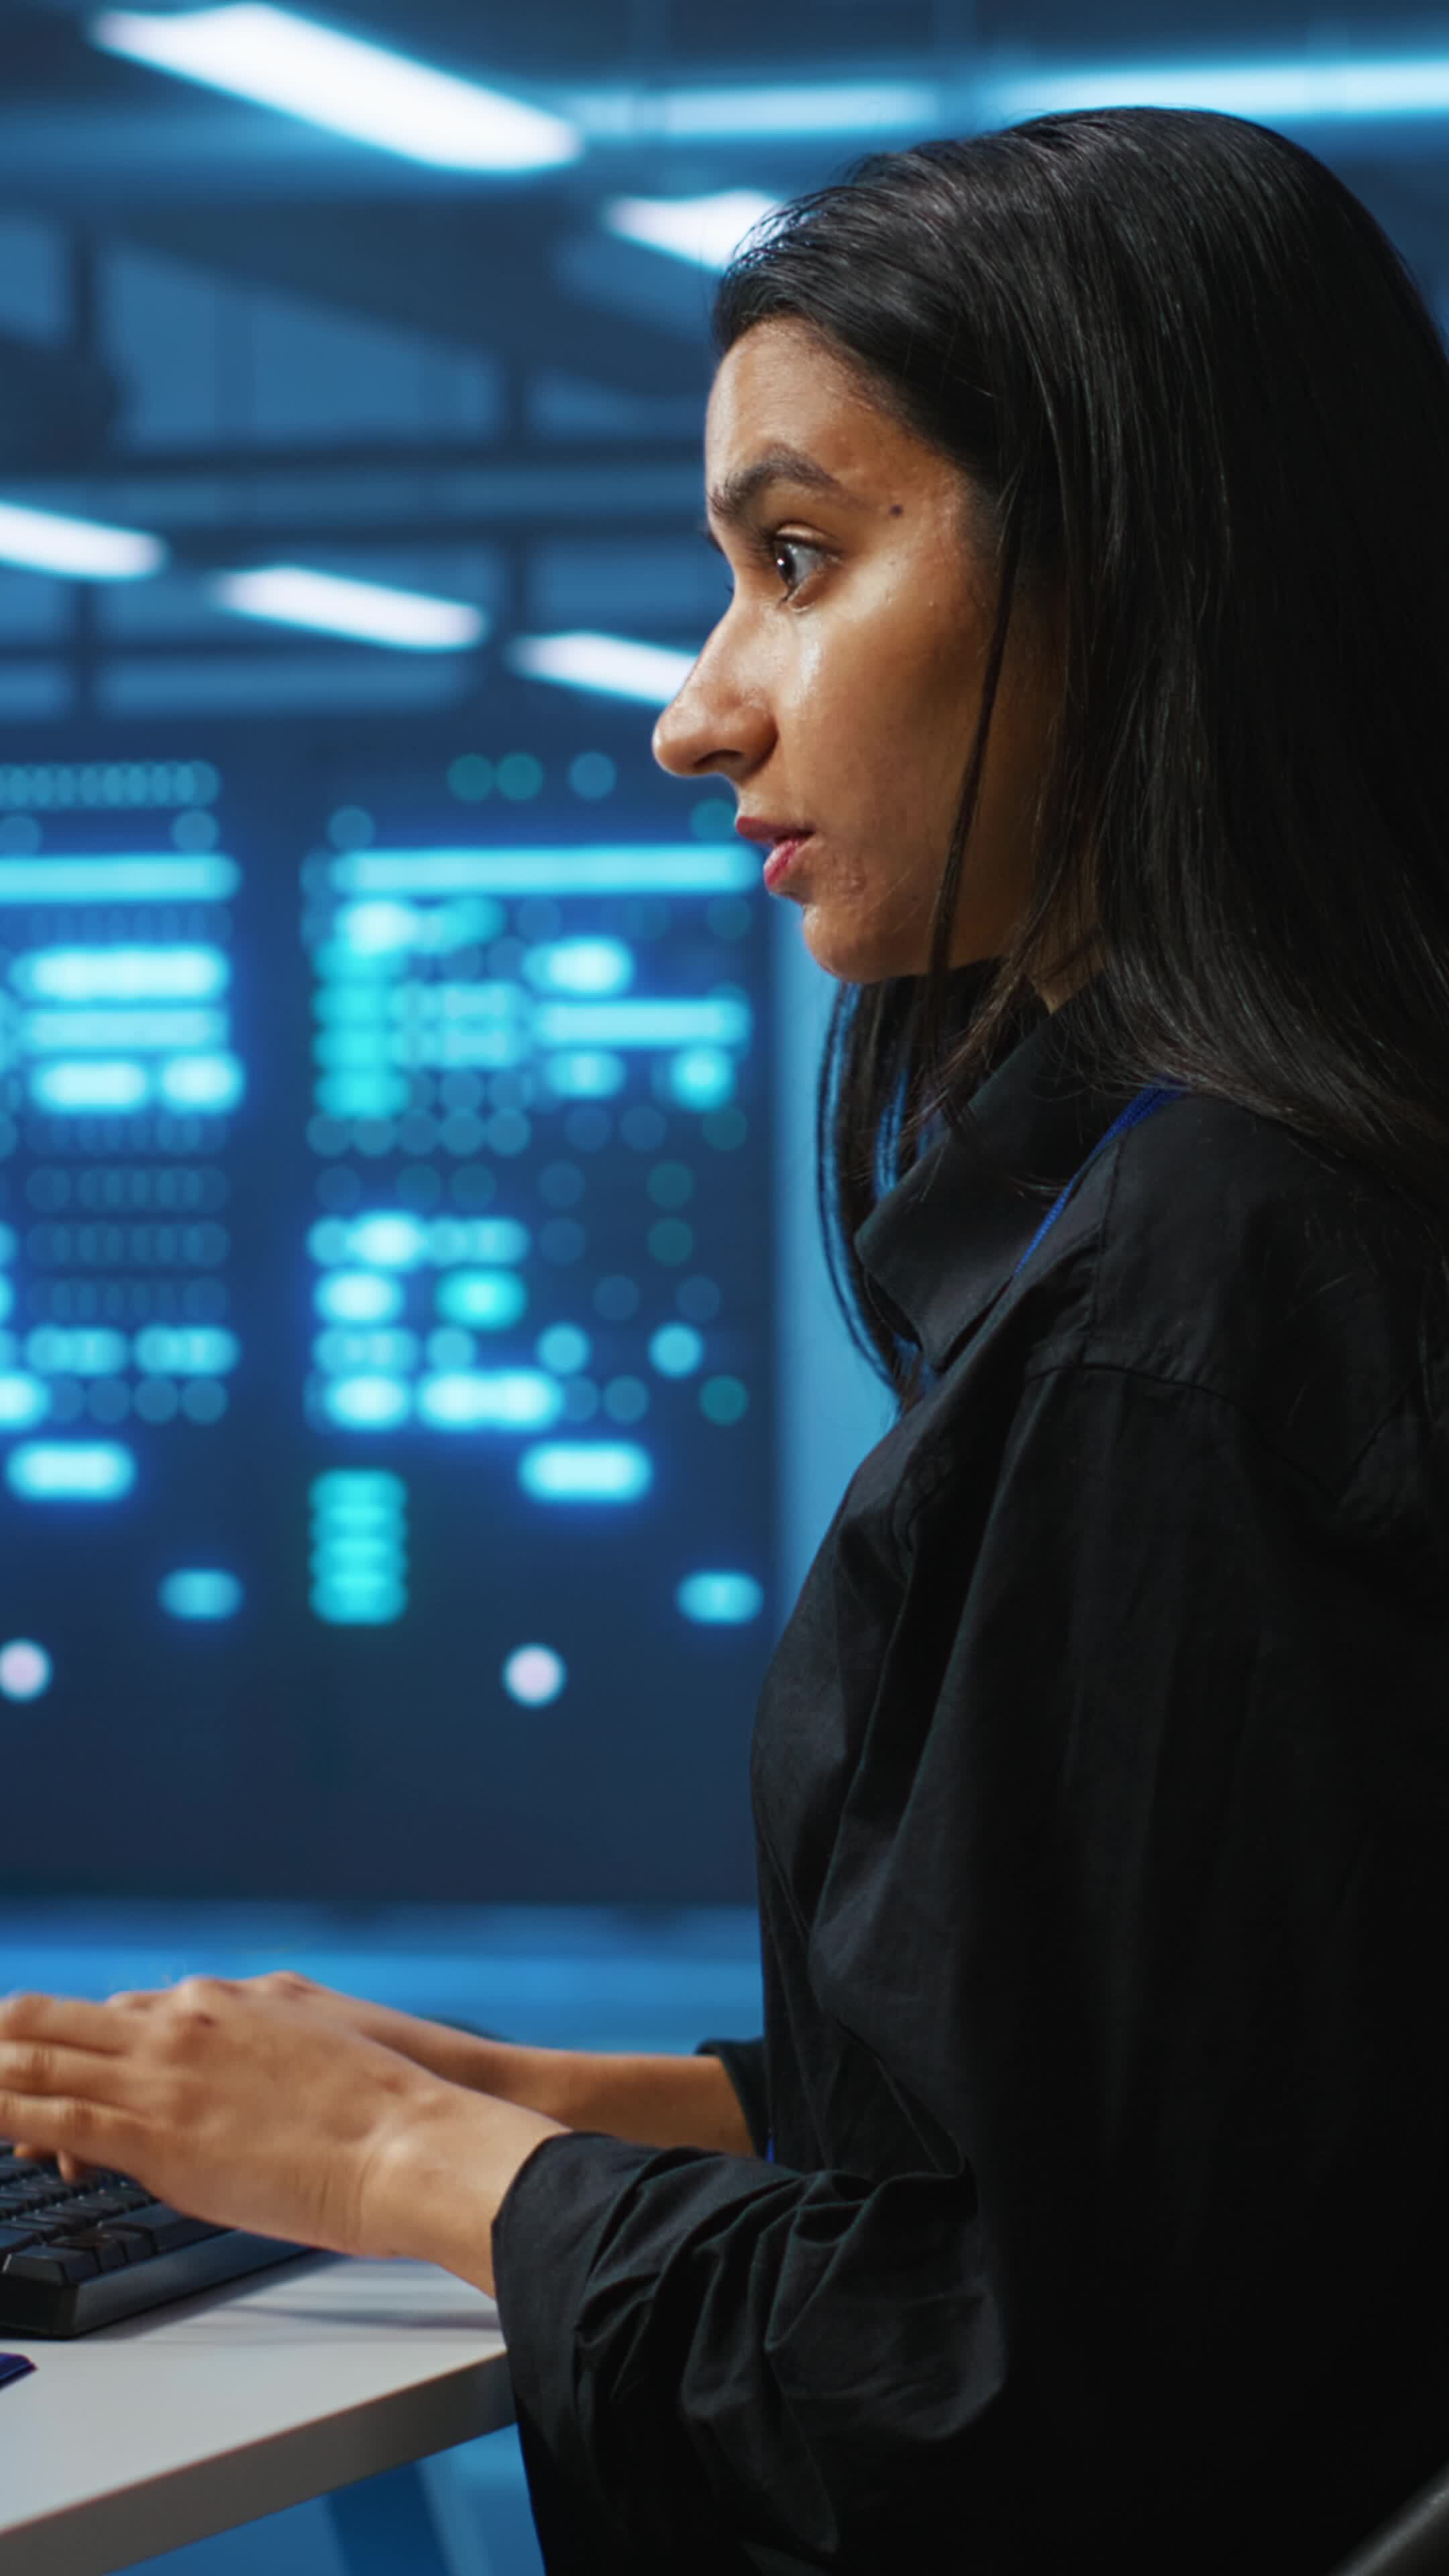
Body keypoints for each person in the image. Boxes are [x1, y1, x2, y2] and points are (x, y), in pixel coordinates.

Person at [6, 102, 1449, 2573]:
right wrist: (565, 2101)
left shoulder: (1194, 1299)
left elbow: (990, 2420)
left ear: (1139, 573)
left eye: (799, 562)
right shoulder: (1298, 1208)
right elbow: (1213, 2136)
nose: (699, 713)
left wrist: (405, 2163)